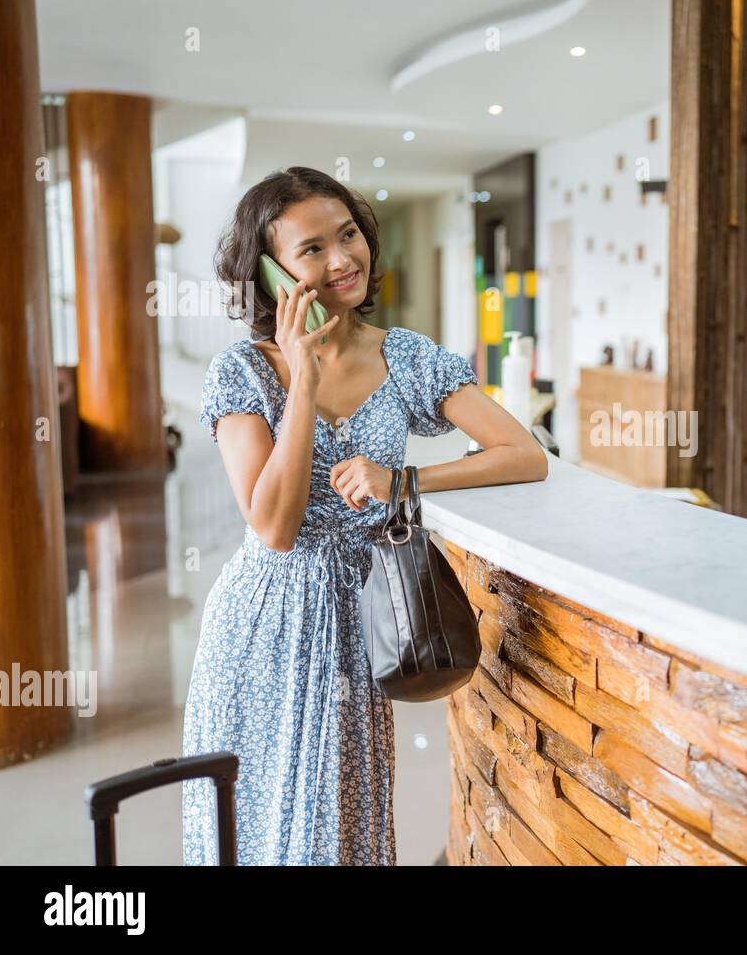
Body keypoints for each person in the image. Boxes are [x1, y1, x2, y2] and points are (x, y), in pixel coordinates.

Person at [181, 166, 547, 864]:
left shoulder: (405, 356)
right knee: (253, 824)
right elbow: (274, 527)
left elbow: (522, 453)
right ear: (269, 274)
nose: (342, 259)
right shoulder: (242, 372)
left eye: (347, 234)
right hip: (262, 624)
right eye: (311, 249)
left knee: (339, 825)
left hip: (363, 619)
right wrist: (305, 378)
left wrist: (402, 478)